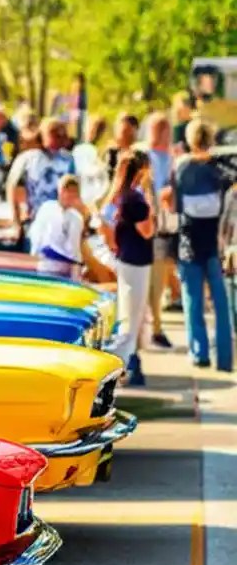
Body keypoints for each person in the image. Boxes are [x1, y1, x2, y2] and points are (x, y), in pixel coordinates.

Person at [175, 121, 233, 370]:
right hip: (213, 243)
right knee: (221, 303)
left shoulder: (181, 167)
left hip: (188, 242)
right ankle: (224, 357)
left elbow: (176, 206)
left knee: (193, 301)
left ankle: (199, 353)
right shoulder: (219, 167)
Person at [105, 152, 155, 386]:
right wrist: (151, 204)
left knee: (130, 313)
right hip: (137, 260)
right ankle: (118, 363)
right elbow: (147, 230)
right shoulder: (135, 200)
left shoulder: (123, 197)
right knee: (132, 318)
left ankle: (124, 362)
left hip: (127, 258)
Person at [5, 117, 77, 242]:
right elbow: (12, 188)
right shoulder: (27, 159)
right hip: (33, 222)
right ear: (42, 135)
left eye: (63, 135)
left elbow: (74, 191)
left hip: (60, 223)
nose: (60, 139)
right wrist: (16, 222)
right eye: (55, 135)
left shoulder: (68, 160)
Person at [144, 112, 181, 348]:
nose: (164, 134)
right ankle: (149, 327)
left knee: (157, 280)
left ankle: (156, 326)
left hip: (162, 227)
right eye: (160, 129)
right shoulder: (145, 156)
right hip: (145, 223)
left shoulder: (172, 159)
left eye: (166, 129)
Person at [29, 174, 85, 279]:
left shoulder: (77, 218)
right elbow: (37, 234)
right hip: (45, 265)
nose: (68, 195)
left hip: (65, 268)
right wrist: (34, 256)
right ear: (60, 190)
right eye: (66, 190)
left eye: (73, 192)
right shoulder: (47, 208)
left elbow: (74, 249)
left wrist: (76, 275)